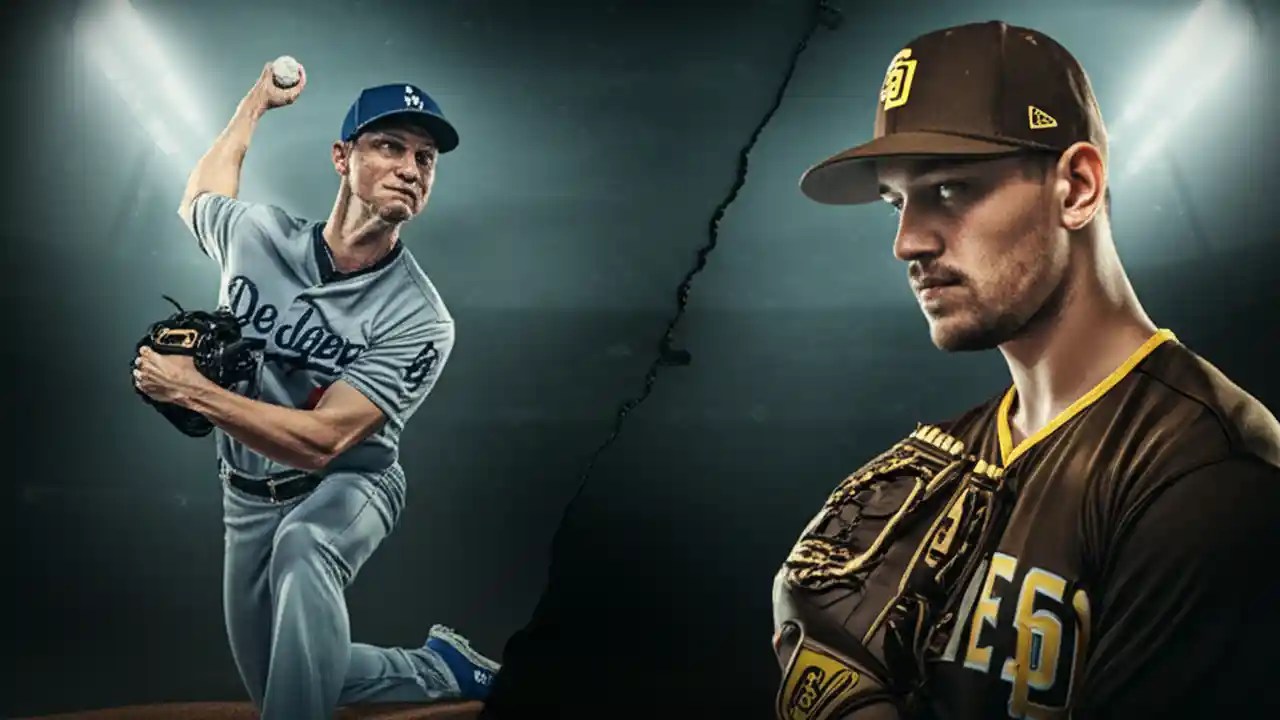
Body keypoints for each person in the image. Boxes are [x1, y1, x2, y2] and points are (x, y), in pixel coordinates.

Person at [771, 19, 1280, 719]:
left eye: (948, 189)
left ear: (1075, 186)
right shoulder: (947, 462)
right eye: (897, 201)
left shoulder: (1209, 473)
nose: (906, 241)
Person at [131, 61, 501, 718]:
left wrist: (190, 390)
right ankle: (436, 668)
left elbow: (325, 443)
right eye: (390, 145)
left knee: (306, 549)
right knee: (284, 677)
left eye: (426, 158)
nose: (412, 168)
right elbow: (199, 196)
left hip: (348, 484)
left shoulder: (420, 317)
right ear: (342, 156)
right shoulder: (258, 236)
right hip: (244, 495)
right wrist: (254, 105)